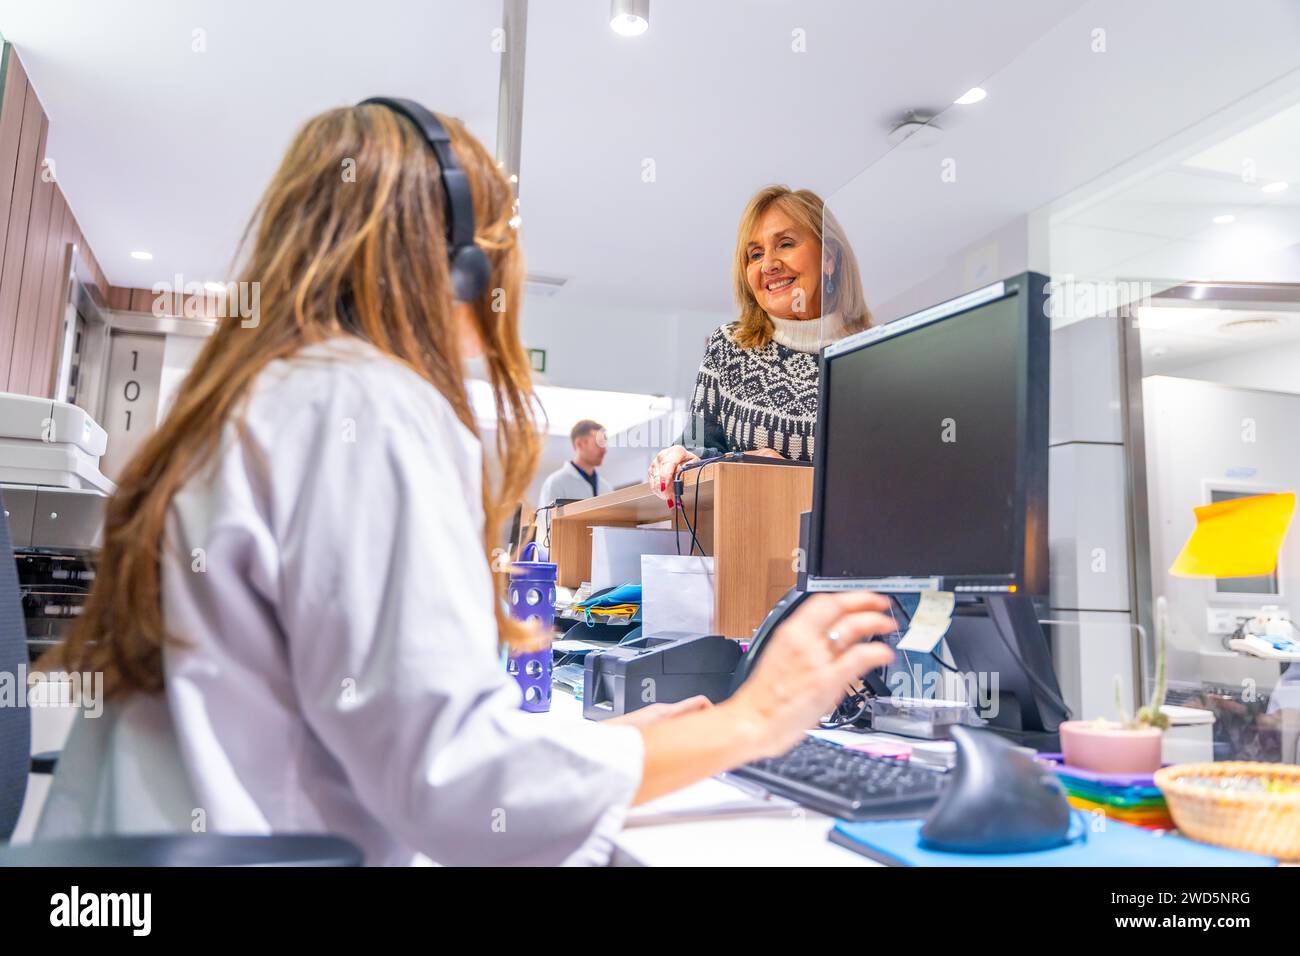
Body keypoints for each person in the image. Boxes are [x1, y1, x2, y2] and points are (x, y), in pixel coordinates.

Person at [34, 101, 896, 865]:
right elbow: (465, 793)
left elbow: (405, 740)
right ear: (460, 270)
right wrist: (752, 721)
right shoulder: (362, 406)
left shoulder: (283, 393)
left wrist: (612, 748)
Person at [649, 185, 870, 506]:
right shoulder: (728, 348)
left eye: (786, 244)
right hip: (743, 542)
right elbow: (696, 449)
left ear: (830, 258)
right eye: (755, 254)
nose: (768, 264)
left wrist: (785, 473)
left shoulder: (871, 356)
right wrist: (683, 459)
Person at [538, 419, 613, 506]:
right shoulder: (555, 483)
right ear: (579, 444)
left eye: (604, 444)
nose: (604, 450)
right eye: (599, 444)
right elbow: (546, 519)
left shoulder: (607, 488)